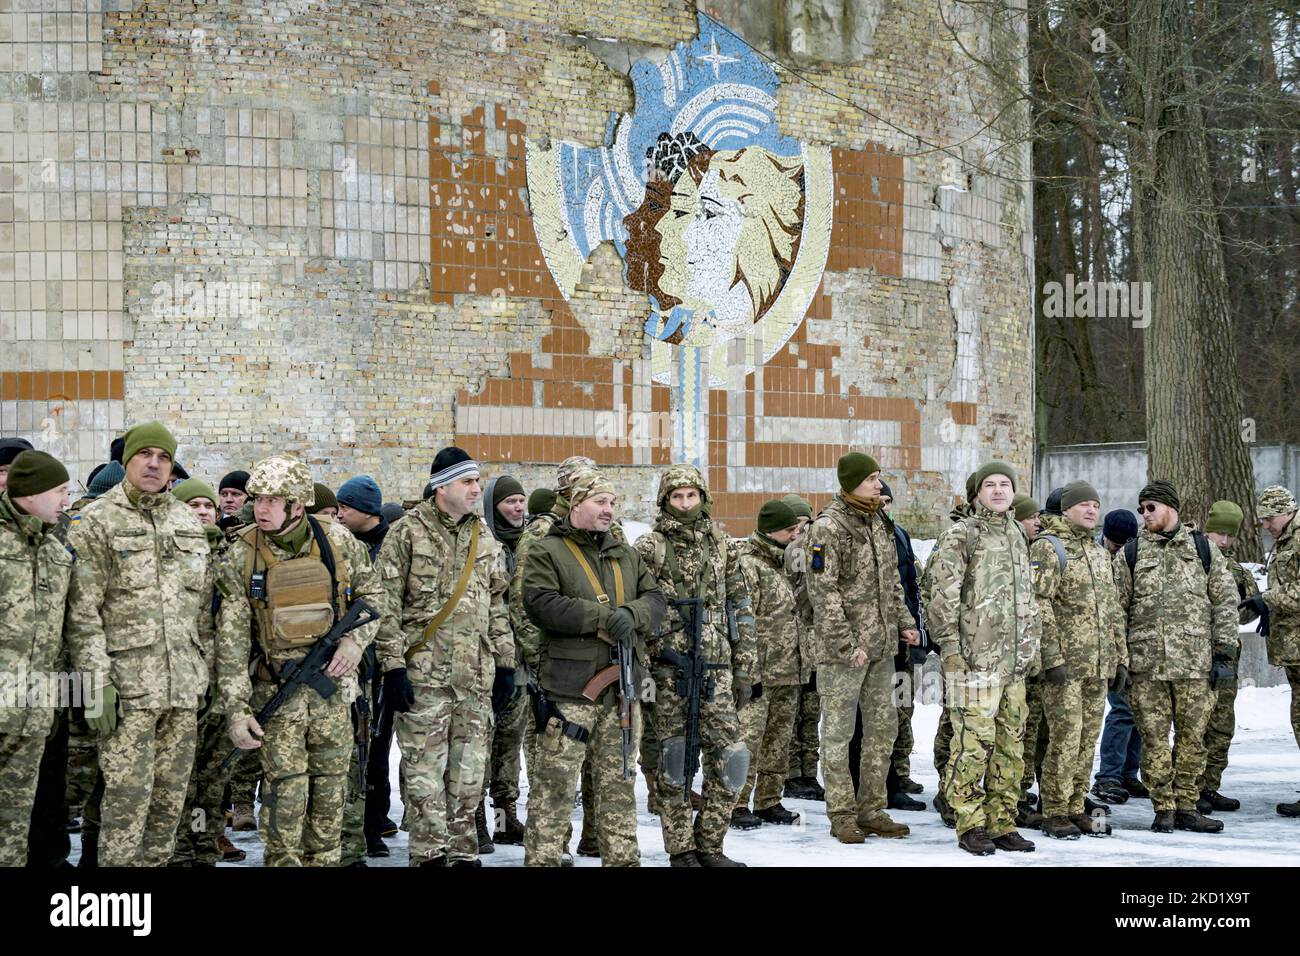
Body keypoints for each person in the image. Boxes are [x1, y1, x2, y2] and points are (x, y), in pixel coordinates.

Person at [216, 456, 383, 866]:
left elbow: (376, 598)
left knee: (330, 800)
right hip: (279, 695)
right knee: (283, 803)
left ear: (297, 504)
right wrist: (237, 711)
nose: (261, 509)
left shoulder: (338, 542)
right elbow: (232, 642)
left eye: (274, 500)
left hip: (332, 694)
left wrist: (353, 644)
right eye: (258, 499)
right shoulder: (243, 554)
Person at [65, 422, 213, 866]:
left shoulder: (186, 521)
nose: (154, 463)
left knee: (169, 808)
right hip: (126, 692)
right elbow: (83, 611)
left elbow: (202, 610)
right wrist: (96, 684)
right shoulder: (97, 520)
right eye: (145, 454)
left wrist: (202, 672)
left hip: (182, 692)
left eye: (163, 457)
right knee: (125, 808)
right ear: (126, 461)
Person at [373, 447, 512, 867]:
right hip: (423, 679)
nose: (477, 489)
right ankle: (429, 855)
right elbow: (384, 605)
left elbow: (498, 605)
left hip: (474, 680)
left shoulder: (484, 537)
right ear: (442, 486)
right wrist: (393, 666)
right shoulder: (407, 533)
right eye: (468, 482)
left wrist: (505, 663)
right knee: (424, 780)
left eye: (477, 481)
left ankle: (463, 854)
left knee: (469, 780)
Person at [520, 467, 665, 866]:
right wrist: (601, 619)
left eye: (613, 503)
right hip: (570, 691)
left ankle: (623, 860)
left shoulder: (625, 553)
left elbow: (656, 601)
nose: (609, 510)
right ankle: (544, 859)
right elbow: (540, 603)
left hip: (622, 690)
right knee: (555, 789)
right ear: (577, 503)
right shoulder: (546, 550)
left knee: (619, 786)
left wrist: (632, 615)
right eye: (601, 502)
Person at [634, 464, 757, 866]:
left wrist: (743, 668)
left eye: (692, 496)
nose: (685, 504)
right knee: (675, 761)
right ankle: (681, 849)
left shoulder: (722, 546)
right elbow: (637, 610)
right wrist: (653, 657)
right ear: (665, 500)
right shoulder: (649, 548)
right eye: (677, 497)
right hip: (670, 673)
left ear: (703, 498)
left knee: (732, 758)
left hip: (717, 669)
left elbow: (740, 607)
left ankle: (711, 844)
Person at [926, 460, 1041, 856]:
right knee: (972, 745)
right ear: (976, 493)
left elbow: (1026, 601)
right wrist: (951, 650)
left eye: (1005, 484)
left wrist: (1030, 648)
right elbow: (941, 598)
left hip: (1012, 667)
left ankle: (1002, 821)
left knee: (1011, 746)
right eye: (989, 485)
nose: (997, 491)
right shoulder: (961, 536)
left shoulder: (1015, 534)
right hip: (974, 664)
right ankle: (970, 823)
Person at [805, 454, 919, 845]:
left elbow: (891, 582)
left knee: (882, 730)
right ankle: (841, 813)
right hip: (845, 652)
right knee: (838, 733)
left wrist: (905, 622)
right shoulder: (827, 527)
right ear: (850, 482)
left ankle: (872, 809)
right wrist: (844, 643)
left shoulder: (878, 522)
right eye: (871, 478)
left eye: (878, 478)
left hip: (881, 648)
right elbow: (823, 591)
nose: (877, 484)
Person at [1112, 480, 1237, 834]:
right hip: (1147, 666)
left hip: (1195, 665)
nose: (1145, 515)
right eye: (1141, 509)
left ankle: (1186, 805)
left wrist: (1224, 652)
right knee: (1153, 740)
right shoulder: (1132, 554)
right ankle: (1163, 807)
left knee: (1192, 739)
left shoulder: (1203, 550)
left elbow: (1224, 602)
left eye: (1151, 507)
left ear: (1171, 508)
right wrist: (1121, 659)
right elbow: (1116, 610)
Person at [1030, 481, 1127, 840]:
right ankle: (1054, 809)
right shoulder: (1048, 547)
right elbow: (1039, 605)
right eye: (1083, 504)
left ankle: (1074, 804)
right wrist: (1051, 658)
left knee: (1087, 739)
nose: (1091, 510)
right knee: (1065, 738)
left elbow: (1113, 610)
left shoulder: (1100, 553)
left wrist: (1120, 658)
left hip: (1097, 664)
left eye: (1095, 505)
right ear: (1066, 509)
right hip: (1065, 667)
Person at [0, 451, 73, 866]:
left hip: (31, 714)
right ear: (32, 493)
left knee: (15, 825)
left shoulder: (56, 552)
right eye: (60, 492)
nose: (66, 501)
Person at [168, 478, 245, 865]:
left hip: (218, 690)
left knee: (212, 783)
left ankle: (203, 845)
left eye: (207, 505)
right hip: (178, 689)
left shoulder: (229, 558)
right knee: (178, 781)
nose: (201, 511)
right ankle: (179, 851)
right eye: (192, 505)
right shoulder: (167, 555)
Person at [734, 499, 804, 827]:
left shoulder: (785, 561)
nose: (796, 535)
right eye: (790, 529)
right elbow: (743, 620)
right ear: (771, 529)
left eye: (798, 529)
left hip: (788, 667)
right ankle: (735, 802)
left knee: (779, 738)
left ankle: (768, 799)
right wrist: (748, 671)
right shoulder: (748, 564)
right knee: (748, 739)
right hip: (759, 670)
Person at [333, 475, 393, 865]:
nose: (339, 514)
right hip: (354, 664)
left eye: (346, 508)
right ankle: (360, 832)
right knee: (358, 750)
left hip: (384, 662)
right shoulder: (343, 545)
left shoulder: (391, 546)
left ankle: (375, 826)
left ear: (366, 512)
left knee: (377, 751)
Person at [1196, 500, 1260, 814]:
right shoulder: (1192, 559)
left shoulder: (1234, 569)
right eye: (1218, 533)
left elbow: (1245, 616)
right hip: (1194, 656)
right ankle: (1188, 789)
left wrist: (1255, 602)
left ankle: (1209, 786)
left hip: (1227, 658)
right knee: (1194, 725)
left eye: (1229, 535)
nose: (1223, 541)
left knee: (1222, 725)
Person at [479, 474, 529, 848]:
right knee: (479, 744)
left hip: (522, 665)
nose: (517, 508)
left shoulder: (533, 545)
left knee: (509, 745)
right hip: (485, 663)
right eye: (509, 502)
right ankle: (474, 819)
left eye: (520, 501)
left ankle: (503, 816)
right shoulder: (482, 544)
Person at [1250, 486, 1300, 819]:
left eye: (1269, 519)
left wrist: (1265, 602)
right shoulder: (1286, 540)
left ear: (1285, 512)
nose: (1266, 525)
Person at [1091, 508, 1145, 805]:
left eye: (1126, 545)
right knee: (1122, 710)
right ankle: (1108, 776)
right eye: (1115, 545)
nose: (1120, 551)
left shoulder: (1135, 556)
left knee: (1137, 712)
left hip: (1136, 645)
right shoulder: (1097, 558)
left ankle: (1127, 773)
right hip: (1110, 647)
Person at [781, 494, 824, 802]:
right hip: (789, 646)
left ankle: (809, 771)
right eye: (793, 526)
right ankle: (792, 773)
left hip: (815, 644)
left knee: (811, 713)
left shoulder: (817, 550)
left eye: (804, 524)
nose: (799, 532)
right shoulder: (780, 556)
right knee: (791, 714)